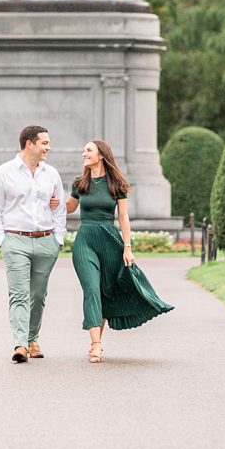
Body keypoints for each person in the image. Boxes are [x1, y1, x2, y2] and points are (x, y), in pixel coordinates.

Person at [64, 138, 174, 362]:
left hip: (109, 240)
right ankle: (95, 345)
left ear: (101, 155)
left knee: (104, 292)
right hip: (85, 241)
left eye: (88, 150)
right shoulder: (79, 184)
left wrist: (128, 248)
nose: (84, 154)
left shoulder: (117, 184)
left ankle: (97, 342)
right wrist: (53, 200)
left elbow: (123, 217)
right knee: (92, 289)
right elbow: (70, 207)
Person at [0, 124, 68, 363]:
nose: (48, 148)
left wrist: (57, 239)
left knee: (38, 295)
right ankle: (20, 344)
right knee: (19, 294)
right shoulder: (3, 173)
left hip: (45, 242)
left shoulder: (51, 174)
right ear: (29, 144)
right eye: (44, 143)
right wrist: (3, 241)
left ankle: (33, 339)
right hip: (15, 241)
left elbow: (59, 208)